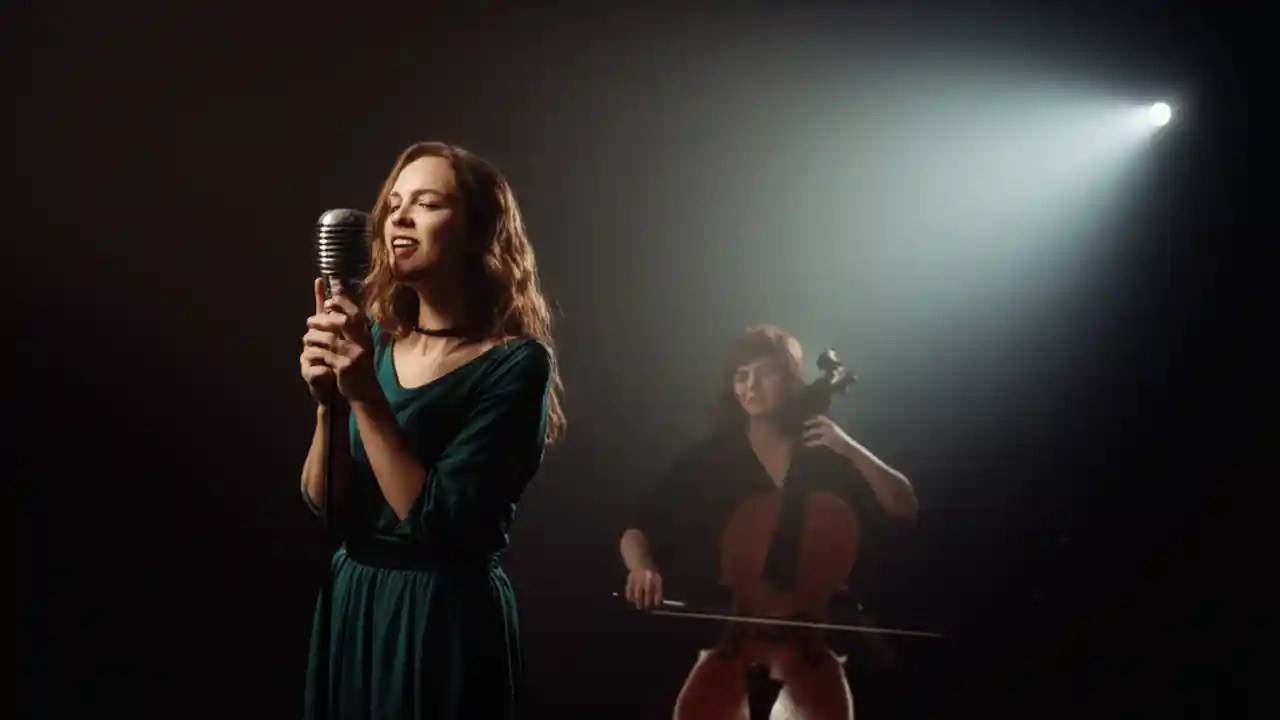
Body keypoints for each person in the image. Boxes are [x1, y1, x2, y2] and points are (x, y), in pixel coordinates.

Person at [297, 141, 565, 719]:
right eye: (394, 203)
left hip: (442, 619)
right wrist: (328, 407)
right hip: (356, 604)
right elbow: (327, 508)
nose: (398, 216)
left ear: (478, 233)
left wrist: (364, 393)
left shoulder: (517, 364)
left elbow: (437, 522)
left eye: (427, 202)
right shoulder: (377, 344)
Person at [619, 325, 917, 720]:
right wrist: (642, 567)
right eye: (741, 375)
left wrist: (849, 448)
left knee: (892, 683)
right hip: (733, 629)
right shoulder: (713, 457)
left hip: (819, 632)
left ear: (792, 380)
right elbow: (638, 529)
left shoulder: (824, 447)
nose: (751, 385)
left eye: (765, 372)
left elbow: (904, 507)